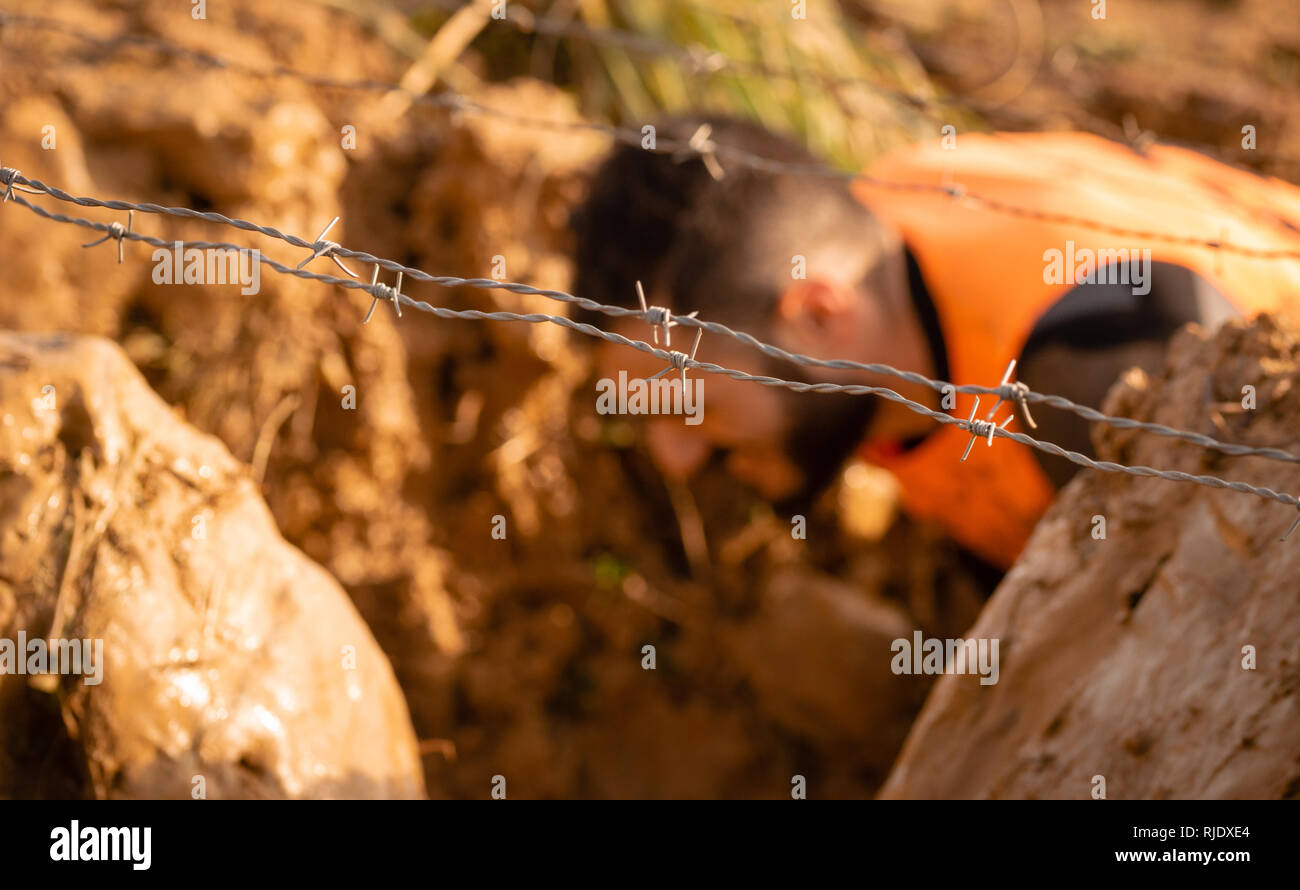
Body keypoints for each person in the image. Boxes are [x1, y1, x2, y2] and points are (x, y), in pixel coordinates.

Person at [570, 117, 1300, 568]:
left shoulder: (1102, 371)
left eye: (688, 405)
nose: (675, 455)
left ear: (819, 316)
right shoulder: (873, 233)